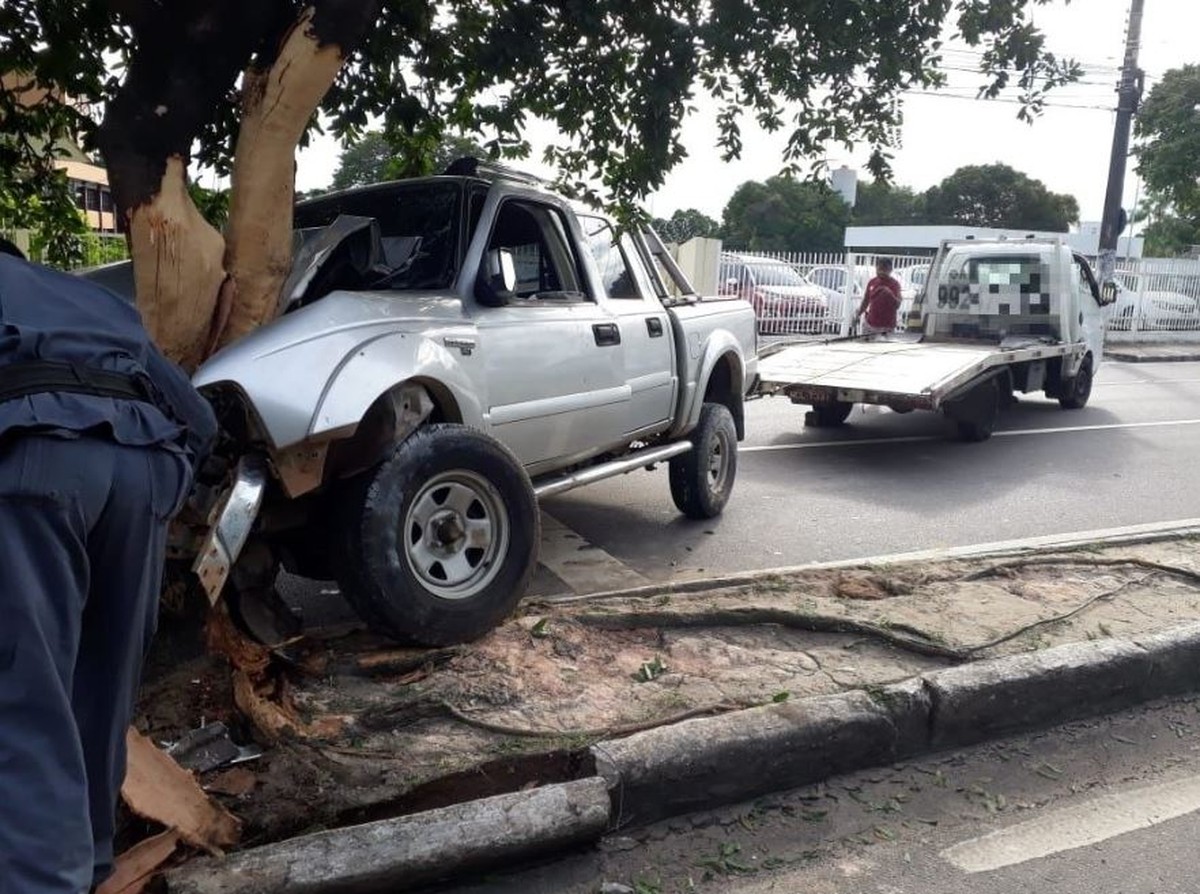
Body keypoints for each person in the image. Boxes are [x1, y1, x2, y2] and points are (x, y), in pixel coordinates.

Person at [0, 237, 217, 893]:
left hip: (28, 462)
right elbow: (199, 420)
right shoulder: (86, 296)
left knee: (23, 696)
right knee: (101, 682)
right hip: (143, 467)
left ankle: (41, 879)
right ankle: (90, 861)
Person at [854, 257, 902, 334]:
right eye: (879, 269)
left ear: (890, 270)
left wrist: (889, 294)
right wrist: (858, 314)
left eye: (884, 270)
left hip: (886, 327)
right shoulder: (872, 282)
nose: (881, 272)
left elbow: (897, 305)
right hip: (870, 325)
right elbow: (866, 301)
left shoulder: (895, 284)